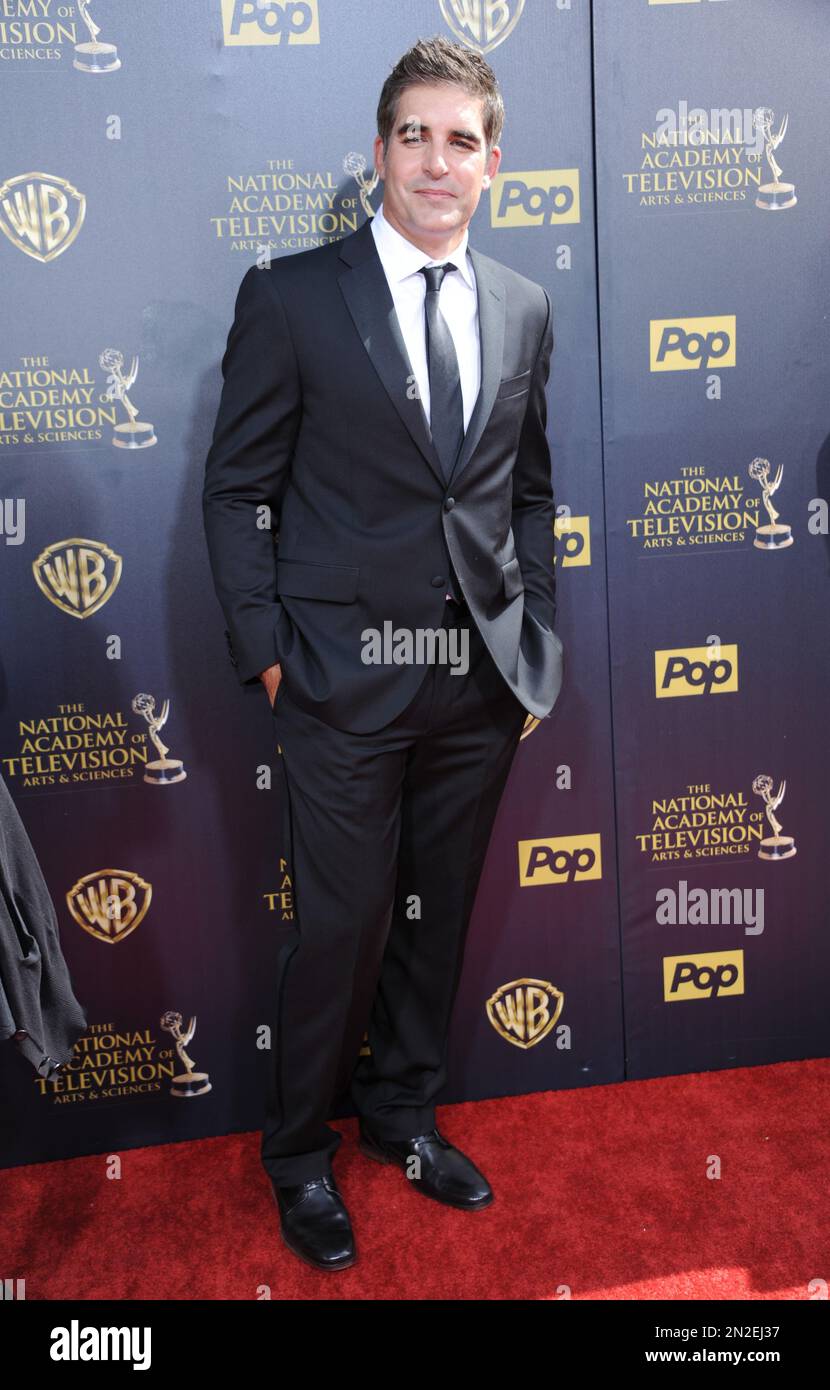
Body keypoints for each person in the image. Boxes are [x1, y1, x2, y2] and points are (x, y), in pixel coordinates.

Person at [202, 34, 563, 1273]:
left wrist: (535, 639)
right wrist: (265, 653)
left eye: (459, 138)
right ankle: (299, 1153)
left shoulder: (522, 306)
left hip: (475, 681)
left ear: (491, 164)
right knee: (343, 923)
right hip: (337, 685)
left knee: (436, 916)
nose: (434, 158)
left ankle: (402, 1118)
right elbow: (237, 489)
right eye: (412, 132)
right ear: (377, 152)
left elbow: (526, 491)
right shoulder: (294, 295)